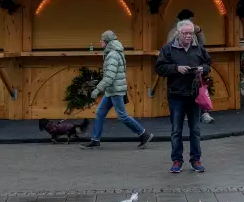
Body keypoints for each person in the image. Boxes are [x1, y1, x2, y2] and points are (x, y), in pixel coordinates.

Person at [155, 19, 212, 174]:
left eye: (190, 33)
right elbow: (159, 68)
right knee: (176, 130)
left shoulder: (198, 49)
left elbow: (208, 64)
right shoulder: (168, 49)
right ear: (178, 33)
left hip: (194, 95)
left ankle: (196, 160)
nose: (188, 36)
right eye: (185, 33)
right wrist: (176, 68)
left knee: (195, 129)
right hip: (176, 95)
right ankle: (177, 160)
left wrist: (203, 69)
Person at [82, 31, 153, 149]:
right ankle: (95, 139)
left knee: (123, 115)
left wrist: (97, 89)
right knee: (100, 113)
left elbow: (110, 76)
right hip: (112, 90)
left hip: (115, 90)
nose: (100, 41)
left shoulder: (113, 55)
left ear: (107, 42)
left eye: (102, 39)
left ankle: (144, 134)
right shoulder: (113, 52)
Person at [166, 10, 212, 122]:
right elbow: (170, 49)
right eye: (190, 19)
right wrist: (177, 67)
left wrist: (199, 31)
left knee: (201, 90)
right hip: (180, 72)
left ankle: (204, 112)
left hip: (195, 68)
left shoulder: (192, 31)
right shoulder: (174, 32)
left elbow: (203, 43)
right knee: (183, 95)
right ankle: (186, 115)